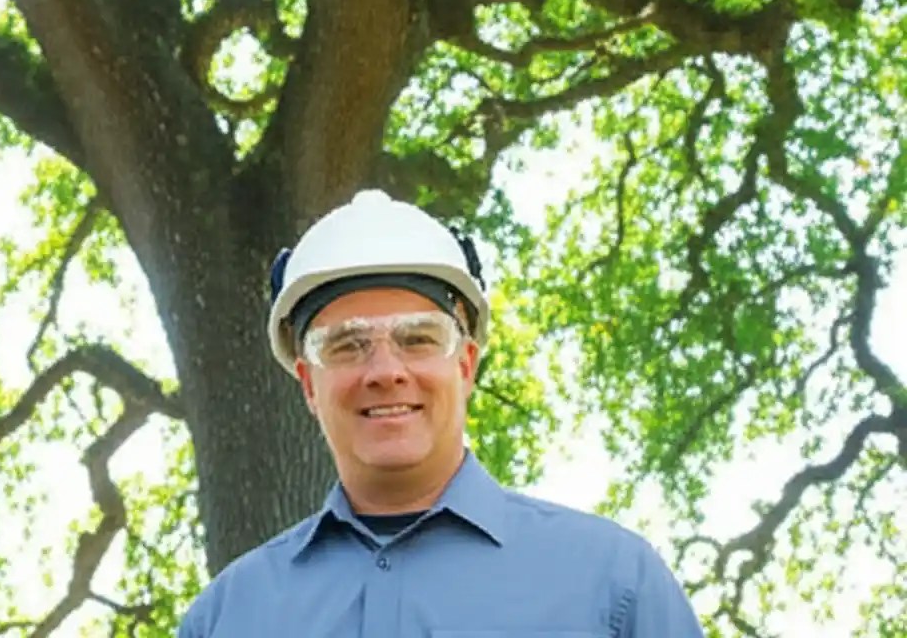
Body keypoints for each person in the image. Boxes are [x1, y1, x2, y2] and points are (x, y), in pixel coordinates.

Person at [177, 189, 704, 637]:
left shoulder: (613, 586)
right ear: (309, 383)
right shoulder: (226, 618)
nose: (385, 370)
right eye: (346, 345)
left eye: (417, 338)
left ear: (466, 365)